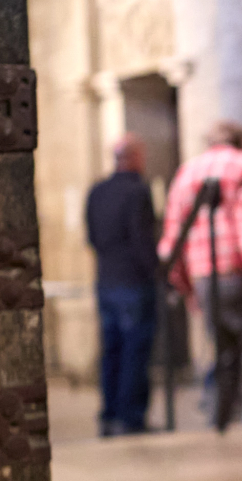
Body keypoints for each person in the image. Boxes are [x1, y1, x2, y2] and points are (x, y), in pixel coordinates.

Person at [159, 121, 242, 430]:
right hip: (237, 273)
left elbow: (173, 236)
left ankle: (220, 424)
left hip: (203, 277)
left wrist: (182, 284)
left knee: (225, 356)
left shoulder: (187, 171)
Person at [84, 134, 162, 436]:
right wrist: (154, 272)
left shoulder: (97, 191)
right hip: (133, 283)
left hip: (105, 281)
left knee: (112, 349)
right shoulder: (137, 192)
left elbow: (91, 237)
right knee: (134, 351)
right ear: (133, 157)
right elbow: (142, 240)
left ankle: (109, 412)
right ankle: (130, 417)